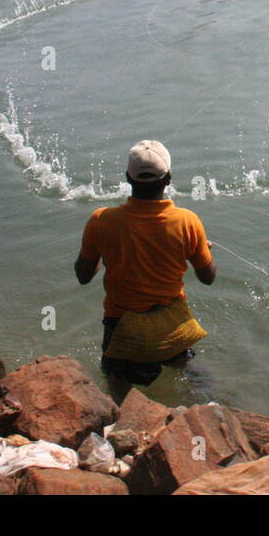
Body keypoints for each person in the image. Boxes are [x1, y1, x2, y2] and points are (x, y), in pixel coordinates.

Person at [74, 140, 215, 386]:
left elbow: (83, 276)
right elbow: (208, 277)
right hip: (171, 327)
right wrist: (201, 247)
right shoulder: (188, 221)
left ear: (128, 178)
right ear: (168, 179)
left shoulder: (101, 220)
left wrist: (103, 251)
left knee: (117, 388)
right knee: (194, 375)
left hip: (122, 328)